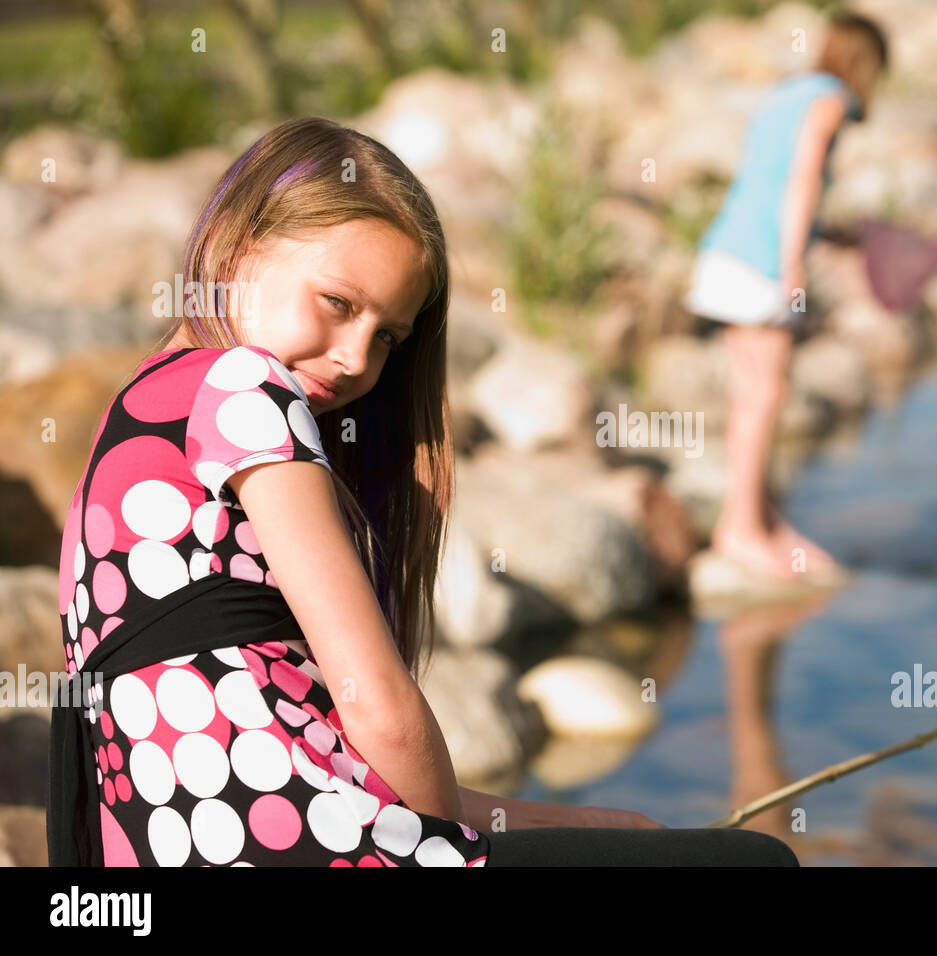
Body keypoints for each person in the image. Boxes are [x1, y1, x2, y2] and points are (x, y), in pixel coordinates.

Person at [47, 116, 797, 867]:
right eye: (339, 303)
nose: (355, 360)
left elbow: (345, 766)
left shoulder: (135, 422)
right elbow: (380, 712)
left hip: (195, 845)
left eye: (388, 337)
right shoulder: (245, 385)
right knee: (759, 864)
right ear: (235, 250)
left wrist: (571, 823)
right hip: (296, 844)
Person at [684, 9, 889, 581]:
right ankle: (742, 532)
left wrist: (834, 235)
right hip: (761, 264)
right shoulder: (830, 102)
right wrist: (793, 265)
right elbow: (799, 180)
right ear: (867, 64)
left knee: (753, 392)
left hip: (727, 252)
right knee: (764, 394)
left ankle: (762, 517)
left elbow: (765, 179)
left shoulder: (787, 93)